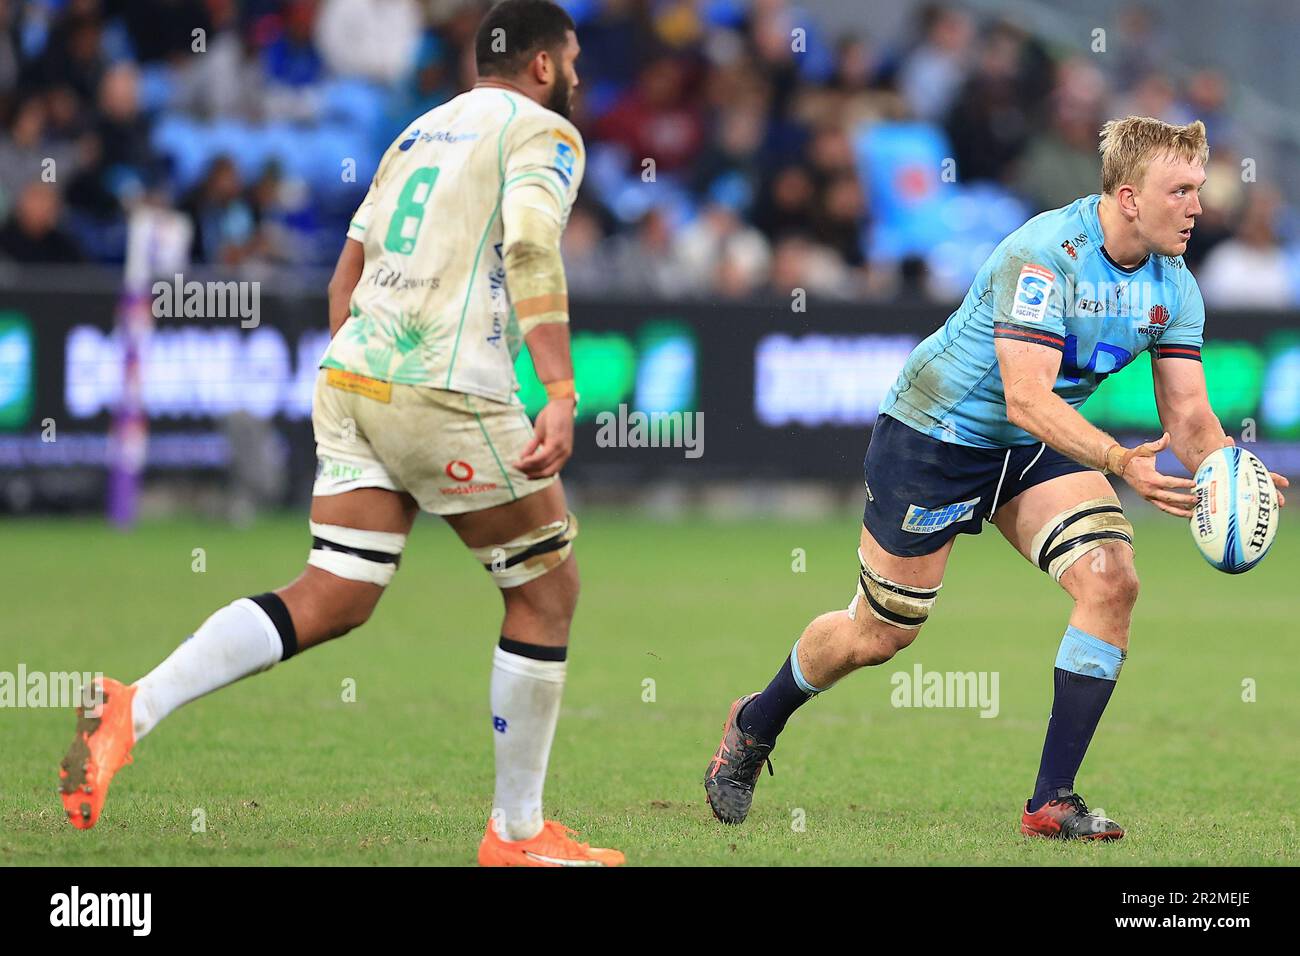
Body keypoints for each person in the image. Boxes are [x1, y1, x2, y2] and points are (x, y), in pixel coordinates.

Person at [58, 0, 623, 867]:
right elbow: (534, 250)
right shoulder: (543, 131)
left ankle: (134, 705)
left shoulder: (416, 133)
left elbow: (345, 274)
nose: (578, 77)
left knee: (335, 592)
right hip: (443, 380)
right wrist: (556, 384)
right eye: (573, 60)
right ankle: (516, 834)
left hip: (354, 369)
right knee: (547, 590)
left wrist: (363, 381)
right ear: (544, 66)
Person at [703, 116, 1289, 841]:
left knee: (1112, 577)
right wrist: (1119, 460)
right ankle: (754, 721)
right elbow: (1026, 396)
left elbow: (1190, 417)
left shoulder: (1175, 284)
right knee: (880, 633)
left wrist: (1231, 471)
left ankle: (1052, 801)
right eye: (1183, 190)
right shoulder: (1047, 255)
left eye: (1200, 188)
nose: (1201, 205)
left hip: (1034, 446)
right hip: (937, 435)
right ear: (1130, 197)